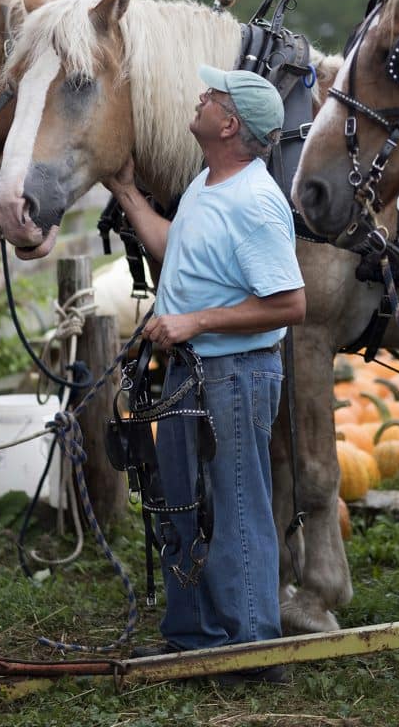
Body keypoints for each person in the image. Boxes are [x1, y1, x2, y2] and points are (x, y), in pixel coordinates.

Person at [105, 64, 305, 683]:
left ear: (228, 123)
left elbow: (291, 302)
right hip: (195, 373)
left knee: (236, 504)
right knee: (182, 500)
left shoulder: (255, 203)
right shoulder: (208, 185)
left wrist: (192, 322)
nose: (201, 96)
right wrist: (130, 194)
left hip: (237, 374)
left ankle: (249, 650)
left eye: (212, 95)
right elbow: (177, 248)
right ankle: (194, 637)